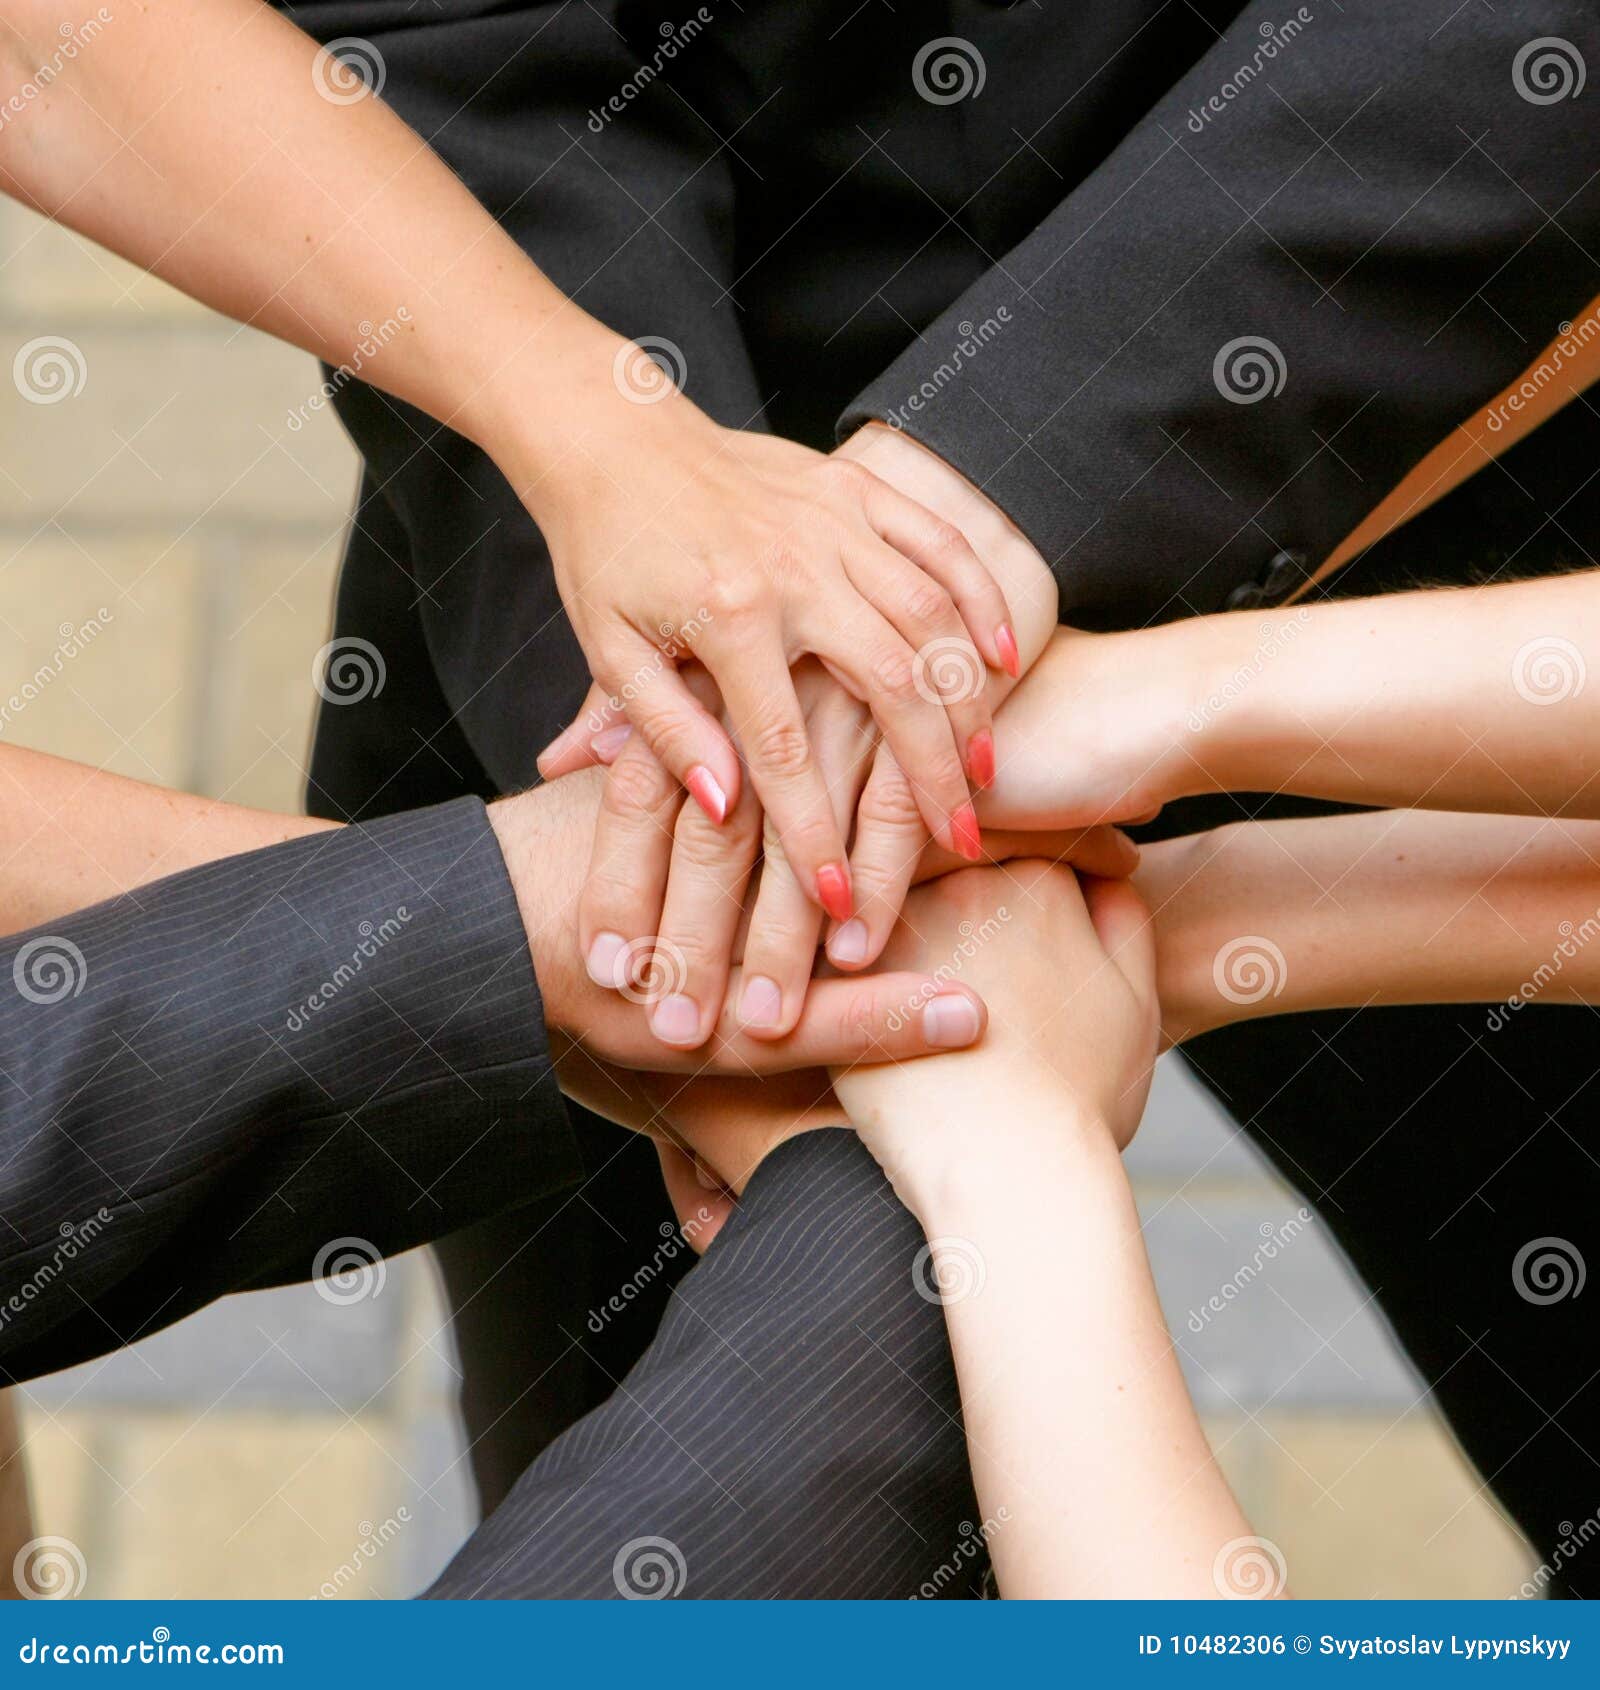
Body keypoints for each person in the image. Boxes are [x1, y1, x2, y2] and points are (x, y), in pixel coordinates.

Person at [241, 0, 1600, 1531]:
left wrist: (953, 558)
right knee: (690, 1534)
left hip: (1434, 427)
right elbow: (416, 41)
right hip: (604, 616)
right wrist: (688, 669)